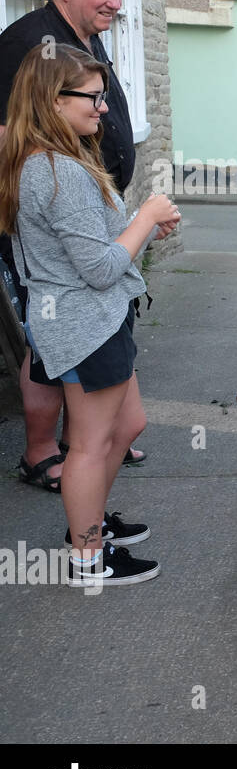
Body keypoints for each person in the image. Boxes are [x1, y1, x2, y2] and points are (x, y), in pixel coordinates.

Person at [0, 43, 180, 584]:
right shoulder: (57, 171)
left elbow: (95, 246)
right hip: (85, 324)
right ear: (53, 100)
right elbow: (101, 268)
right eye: (93, 98)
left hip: (96, 318)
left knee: (129, 425)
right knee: (89, 444)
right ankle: (87, 556)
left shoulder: (50, 161)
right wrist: (146, 214)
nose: (103, 108)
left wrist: (141, 225)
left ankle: (91, 524)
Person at [0, 0, 146, 492]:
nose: (115, 3)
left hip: (86, 213)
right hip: (53, 224)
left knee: (101, 323)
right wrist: (58, 190)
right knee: (51, 338)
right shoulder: (26, 45)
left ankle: (91, 436)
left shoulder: (86, 39)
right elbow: (11, 133)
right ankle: (44, 452)